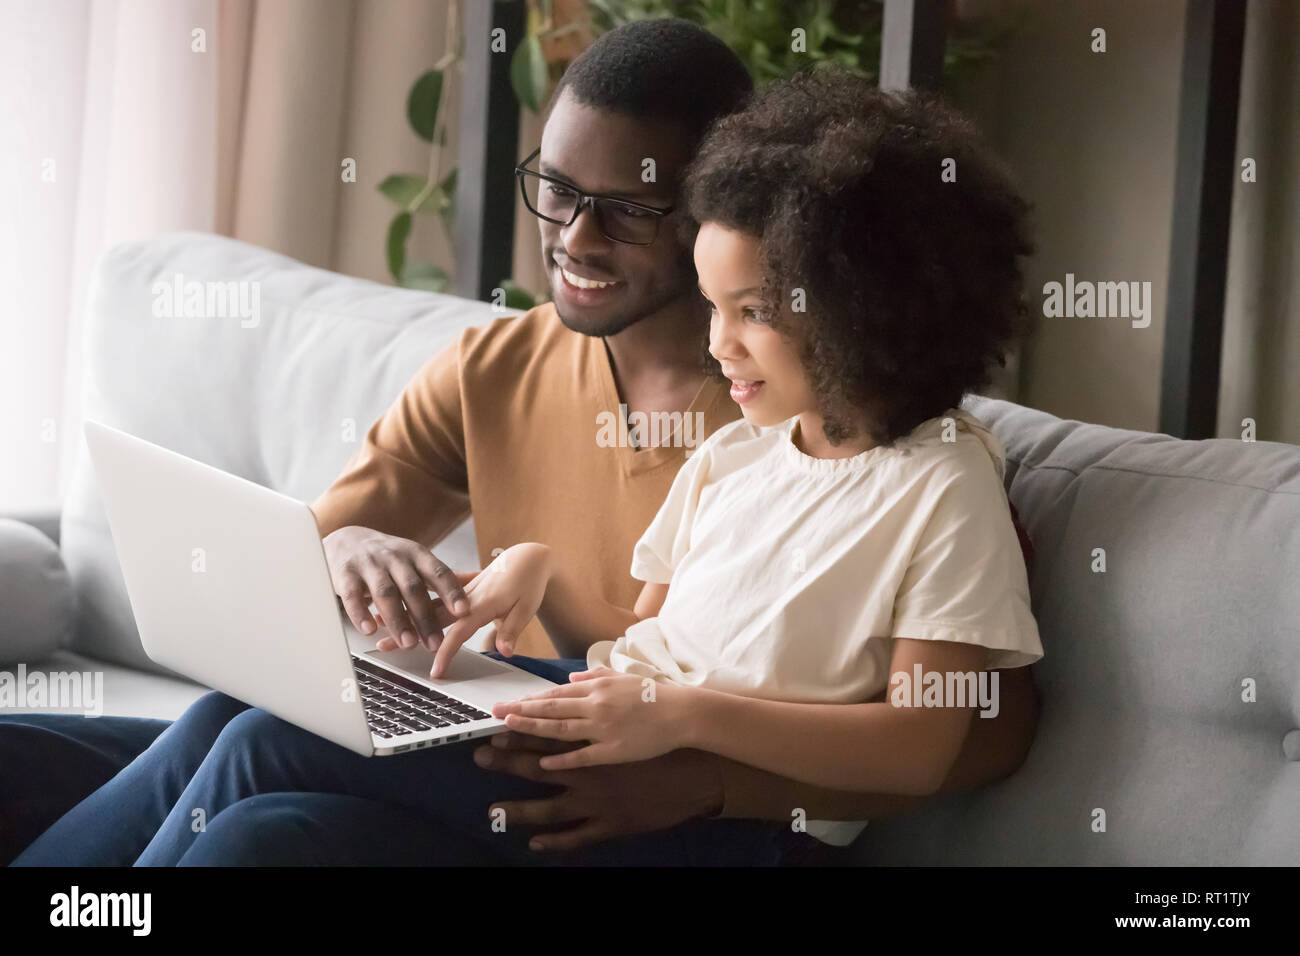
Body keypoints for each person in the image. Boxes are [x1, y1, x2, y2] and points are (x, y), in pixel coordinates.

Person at [2, 20, 1039, 866]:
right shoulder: (662, 421)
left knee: (253, 749)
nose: (574, 240)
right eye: (556, 189)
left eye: (625, 209)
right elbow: (633, 634)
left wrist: (712, 772)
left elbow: (965, 729)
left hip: (678, 799)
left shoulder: (842, 438)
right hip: (563, 726)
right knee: (233, 800)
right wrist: (377, 552)